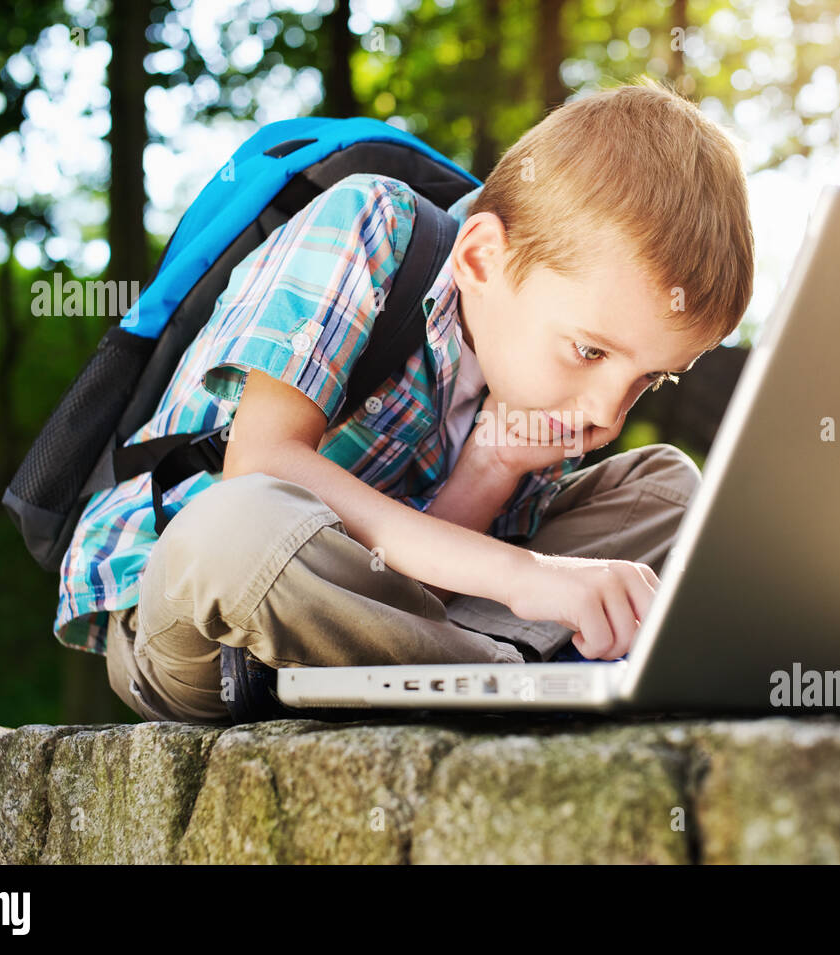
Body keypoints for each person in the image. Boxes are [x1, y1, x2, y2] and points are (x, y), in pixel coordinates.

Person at [56, 76, 755, 724]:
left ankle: (466, 674)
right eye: (590, 351)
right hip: (212, 619)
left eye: (650, 378)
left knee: (668, 490)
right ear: (482, 259)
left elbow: (420, 592)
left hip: (398, 621)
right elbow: (260, 465)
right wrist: (524, 575)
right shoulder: (371, 224)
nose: (607, 412)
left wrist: (490, 468)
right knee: (230, 528)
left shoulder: (534, 382)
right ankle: (516, 675)